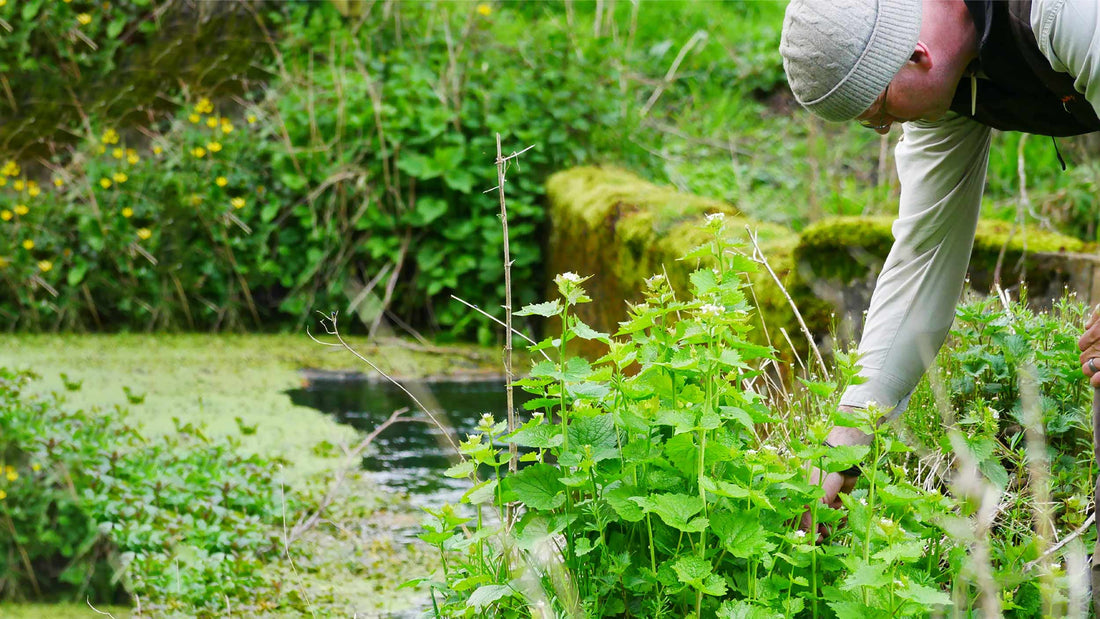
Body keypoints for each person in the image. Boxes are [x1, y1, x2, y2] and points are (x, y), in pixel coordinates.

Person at [780, 0, 1100, 605]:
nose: (879, 128)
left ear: (917, 57)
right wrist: (846, 442)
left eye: (876, 109)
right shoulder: (944, 82)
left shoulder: (1062, 13)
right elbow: (923, 262)